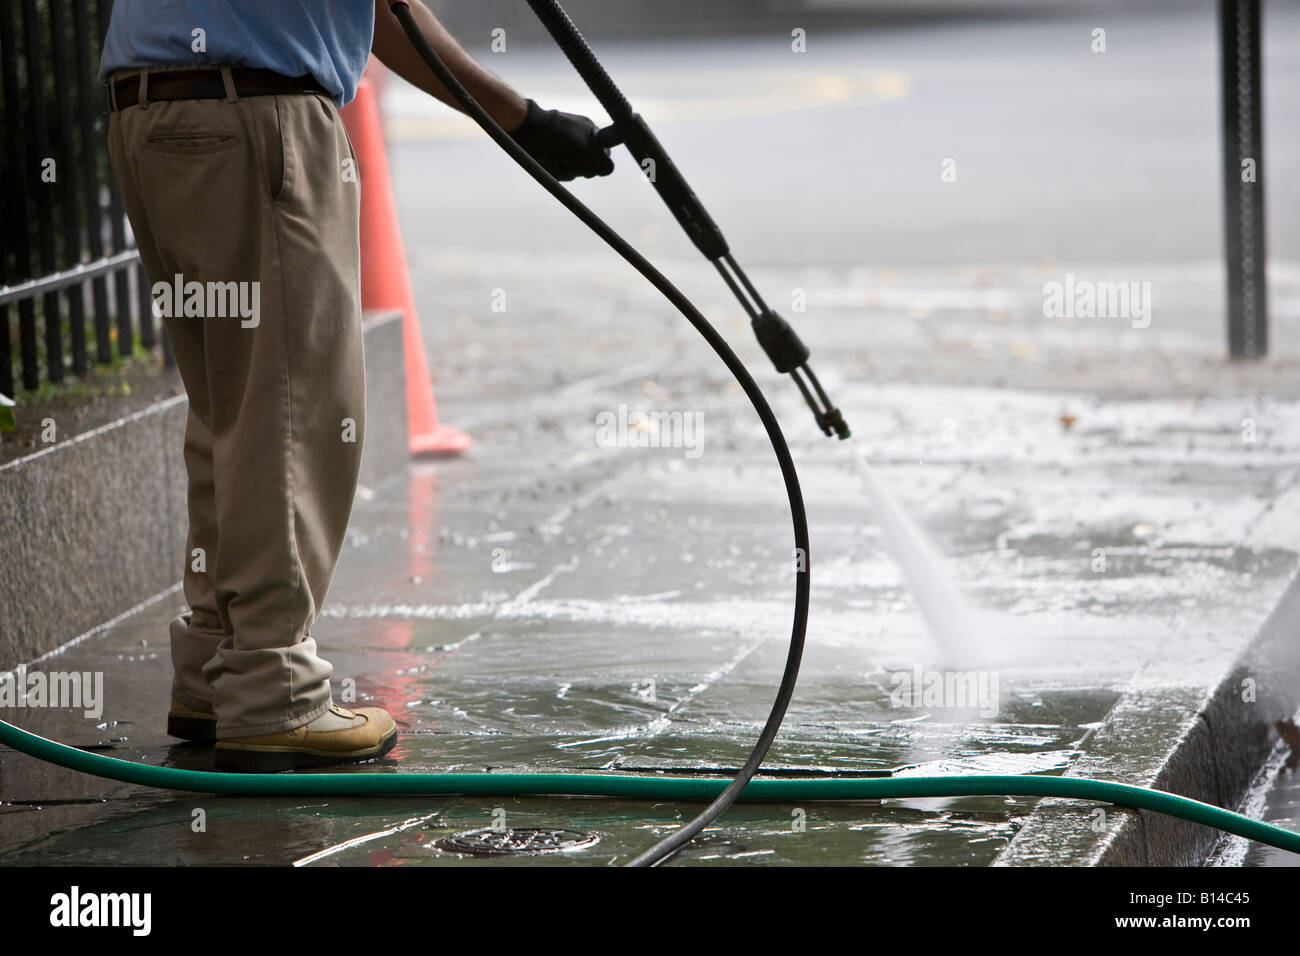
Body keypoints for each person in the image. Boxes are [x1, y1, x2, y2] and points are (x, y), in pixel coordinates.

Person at [101, 0, 613, 772]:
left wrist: (520, 120)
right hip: (258, 116)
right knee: (289, 414)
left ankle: (215, 673)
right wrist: (524, 119)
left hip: (152, 112)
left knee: (230, 409)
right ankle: (273, 694)